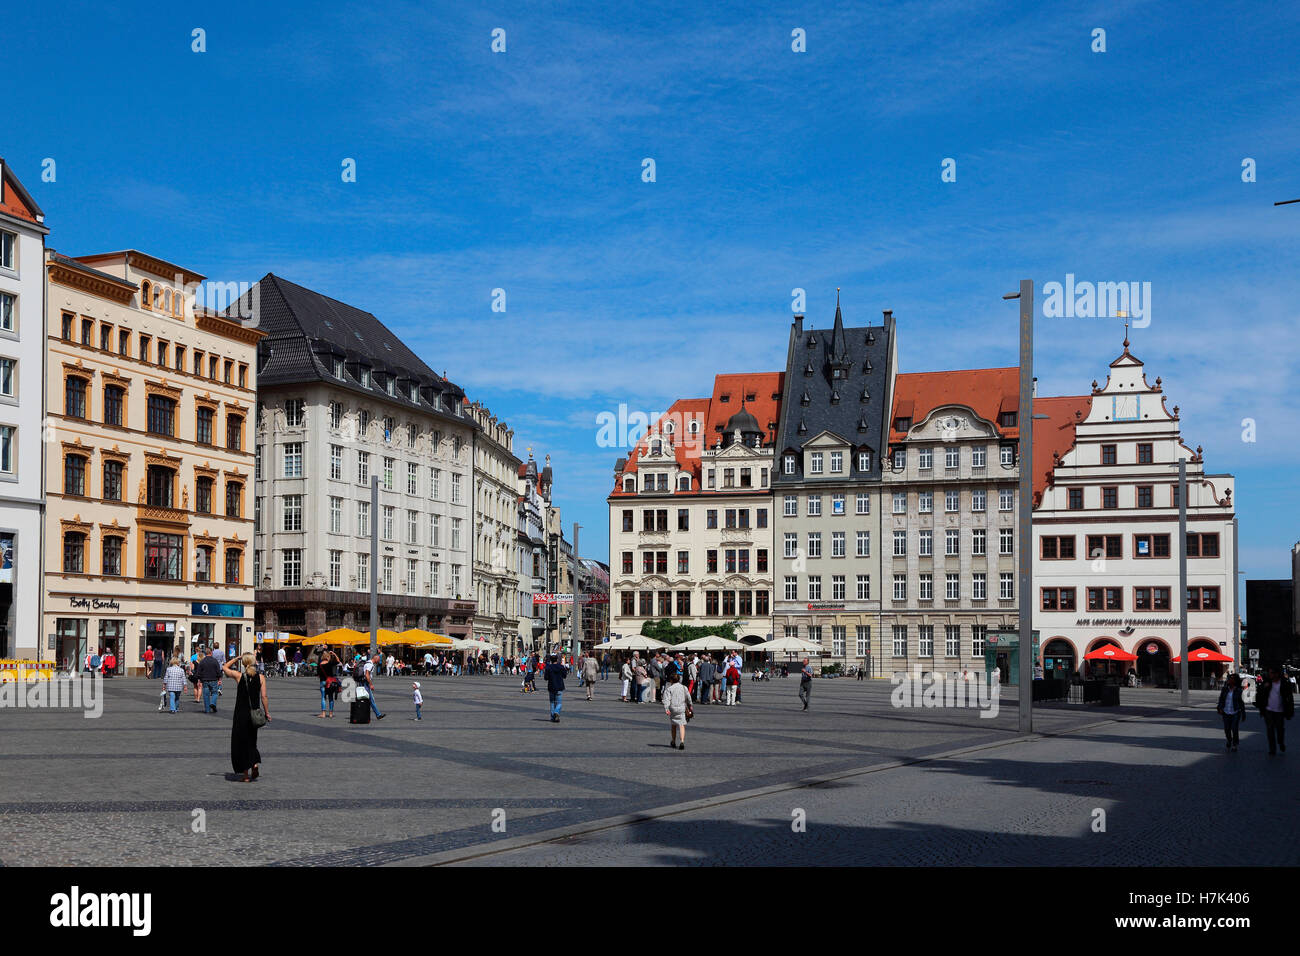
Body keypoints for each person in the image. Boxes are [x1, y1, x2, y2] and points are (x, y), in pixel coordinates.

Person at [223, 652, 270, 782]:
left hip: (240, 714)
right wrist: (266, 713)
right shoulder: (261, 677)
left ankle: (245, 776)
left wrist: (237, 658)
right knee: (251, 741)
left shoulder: (239, 676)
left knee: (241, 743)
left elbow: (225, 668)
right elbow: (264, 697)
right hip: (254, 714)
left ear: (243, 663)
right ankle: (254, 763)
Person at [1256, 665, 1294, 755]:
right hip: (1268, 710)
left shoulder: (1284, 684)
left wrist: (1290, 711)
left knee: (1280, 729)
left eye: (1272, 673)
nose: (1270, 675)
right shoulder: (1266, 683)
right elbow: (1259, 694)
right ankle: (1272, 749)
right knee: (1270, 730)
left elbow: (1290, 698)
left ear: (1277, 674)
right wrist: (1263, 688)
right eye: (1269, 673)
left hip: (1280, 711)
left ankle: (1280, 742)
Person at [1216, 673, 1245, 752]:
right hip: (1226, 712)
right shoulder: (1225, 689)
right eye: (1229, 678)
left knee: (1234, 729)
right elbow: (1221, 699)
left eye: (1231, 678)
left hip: (1235, 712)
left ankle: (1235, 744)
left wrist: (1243, 713)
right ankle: (1229, 740)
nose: (1229, 679)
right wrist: (1219, 708)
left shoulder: (1239, 690)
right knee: (1227, 729)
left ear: (1235, 681)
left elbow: (1241, 702)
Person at [663, 671, 691, 750]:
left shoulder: (669, 689)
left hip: (673, 708)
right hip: (681, 708)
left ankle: (673, 741)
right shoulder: (684, 687)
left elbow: (666, 700)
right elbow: (688, 697)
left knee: (674, 725)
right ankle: (682, 741)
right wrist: (690, 705)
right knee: (682, 725)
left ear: (671, 680)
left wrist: (666, 709)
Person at [196, 647, 222, 713]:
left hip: (204, 680)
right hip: (214, 679)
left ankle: (207, 710)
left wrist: (199, 680)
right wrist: (219, 679)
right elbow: (218, 671)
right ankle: (213, 703)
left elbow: (199, 672)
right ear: (211, 652)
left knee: (206, 695)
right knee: (214, 693)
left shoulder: (202, 661)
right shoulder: (215, 661)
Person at [544, 654, 568, 722]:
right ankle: (556, 712)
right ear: (557, 660)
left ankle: (552, 717)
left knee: (552, 702)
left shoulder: (548, 667)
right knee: (559, 703)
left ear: (551, 660)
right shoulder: (561, 667)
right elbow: (564, 676)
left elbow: (546, 678)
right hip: (559, 686)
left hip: (551, 686)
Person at [363, 653, 386, 720]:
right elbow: (367, 675)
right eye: (378, 659)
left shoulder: (367, 663)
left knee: (368, 700)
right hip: (366, 684)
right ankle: (378, 715)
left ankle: (377, 714)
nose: (379, 661)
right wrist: (370, 684)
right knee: (370, 700)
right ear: (375, 659)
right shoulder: (370, 665)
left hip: (364, 683)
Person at [318, 651, 339, 718]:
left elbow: (318, 675)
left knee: (323, 698)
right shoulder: (330, 663)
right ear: (328, 657)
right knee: (330, 697)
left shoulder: (320, 664)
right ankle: (330, 714)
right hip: (330, 682)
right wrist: (334, 654)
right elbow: (338, 661)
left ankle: (323, 714)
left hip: (322, 682)